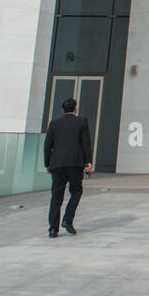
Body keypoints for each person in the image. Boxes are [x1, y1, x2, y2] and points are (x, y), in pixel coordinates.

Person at [44, 97, 92, 237]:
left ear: (62, 110)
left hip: (57, 164)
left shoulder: (54, 123)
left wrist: (47, 164)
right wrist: (88, 162)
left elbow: (48, 145)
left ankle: (53, 229)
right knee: (76, 191)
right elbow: (86, 143)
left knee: (56, 197)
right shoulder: (81, 121)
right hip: (75, 163)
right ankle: (67, 220)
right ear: (75, 109)